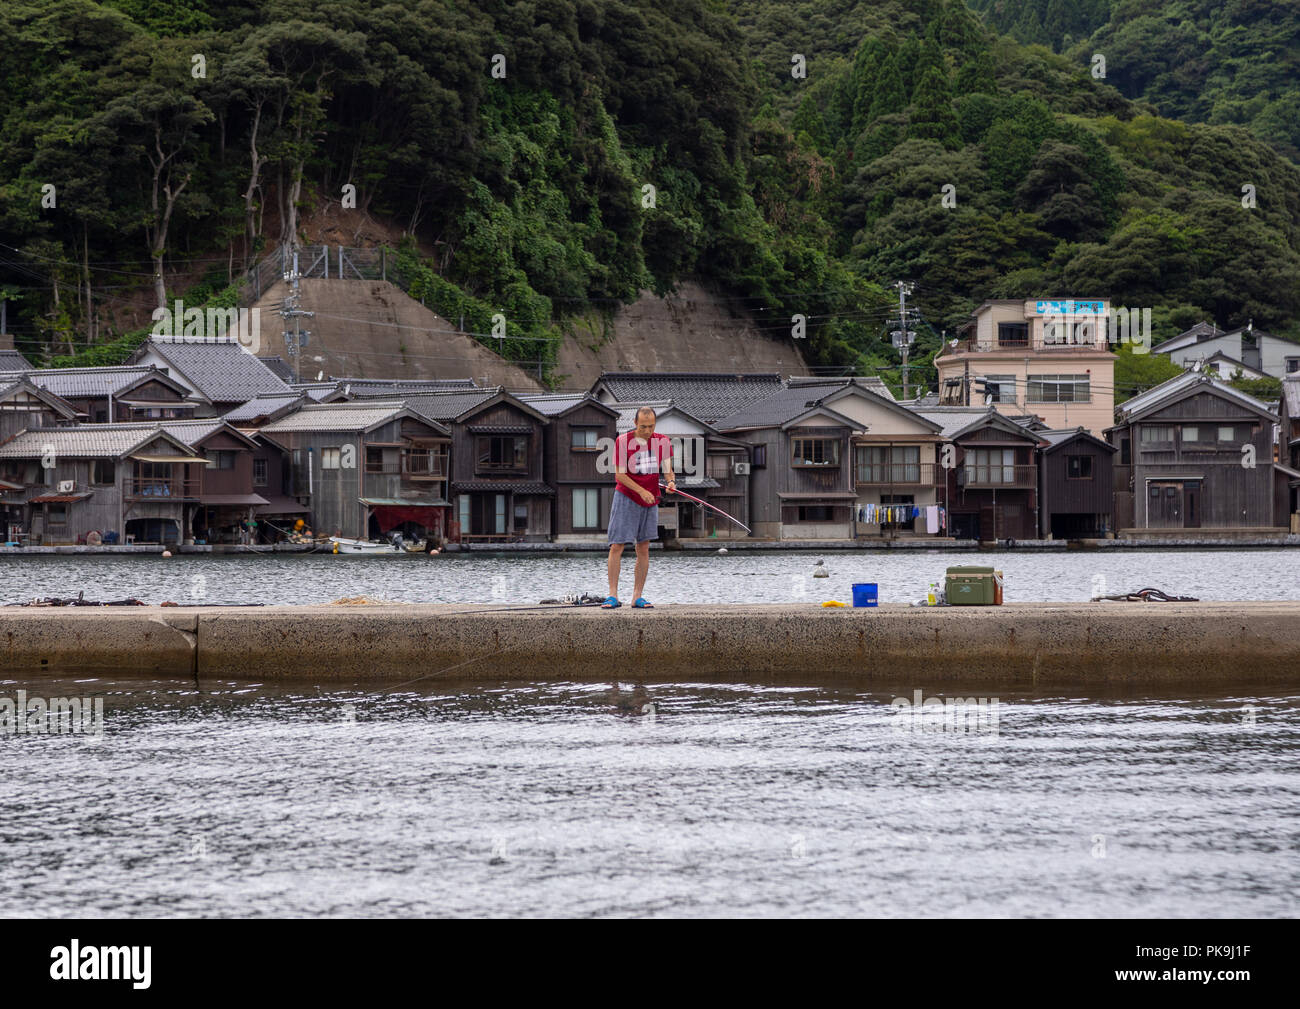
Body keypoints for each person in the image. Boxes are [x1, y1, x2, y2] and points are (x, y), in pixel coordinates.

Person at [603, 406, 675, 608]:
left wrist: (671, 482)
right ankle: (613, 595)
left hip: (650, 499)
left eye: (651, 426)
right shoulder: (623, 442)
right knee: (617, 545)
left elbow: (668, 470)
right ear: (635, 424)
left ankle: (637, 596)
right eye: (643, 426)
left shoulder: (662, 441)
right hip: (626, 496)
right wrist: (641, 490)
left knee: (643, 547)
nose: (647, 431)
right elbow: (620, 475)